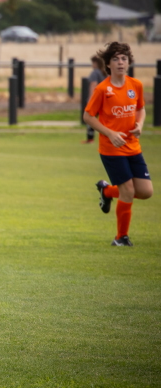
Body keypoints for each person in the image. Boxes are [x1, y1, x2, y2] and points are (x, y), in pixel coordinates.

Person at [83, 42, 153, 246]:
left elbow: (140, 109)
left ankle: (106, 191)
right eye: (116, 59)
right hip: (111, 149)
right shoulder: (103, 89)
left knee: (146, 192)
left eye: (124, 58)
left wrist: (139, 125)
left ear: (129, 62)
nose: (121, 62)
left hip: (133, 147)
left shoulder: (136, 85)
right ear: (108, 64)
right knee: (129, 190)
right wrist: (110, 133)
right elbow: (88, 116)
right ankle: (121, 237)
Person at [83, 55, 107, 144]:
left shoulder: (95, 73)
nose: (92, 64)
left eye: (93, 62)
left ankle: (90, 139)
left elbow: (93, 85)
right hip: (105, 100)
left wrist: (90, 99)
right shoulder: (104, 73)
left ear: (96, 63)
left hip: (96, 100)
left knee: (90, 118)